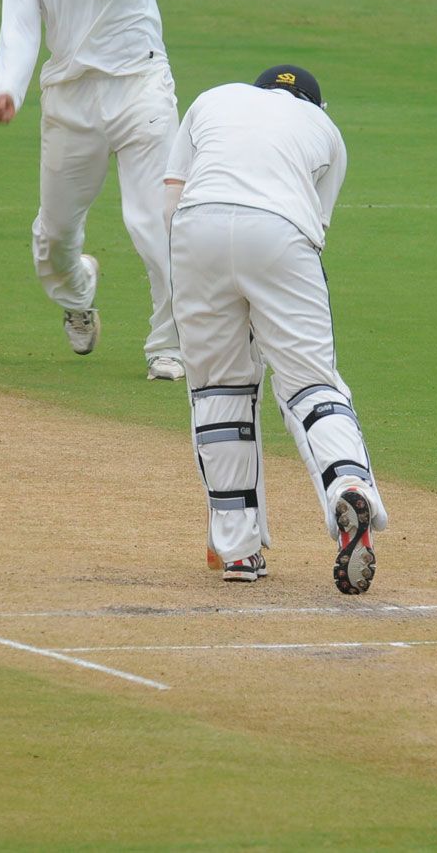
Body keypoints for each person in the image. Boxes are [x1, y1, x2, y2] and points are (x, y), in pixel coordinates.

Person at [164, 65, 389, 594]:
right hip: (281, 231)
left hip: (195, 226)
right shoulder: (325, 130)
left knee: (219, 386)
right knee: (311, 382)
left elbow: (171, 196)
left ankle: (237, 548)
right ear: (313, 103)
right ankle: (348, 488)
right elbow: (314, 227)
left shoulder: (213, 98)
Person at [0, 0, 184, 381]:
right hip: (71, 102)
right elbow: (21, 29)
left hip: (140, 85)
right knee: (54, 237)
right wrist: (6, 90)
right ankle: (78, 299)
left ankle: (168, 347)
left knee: (155, 224)